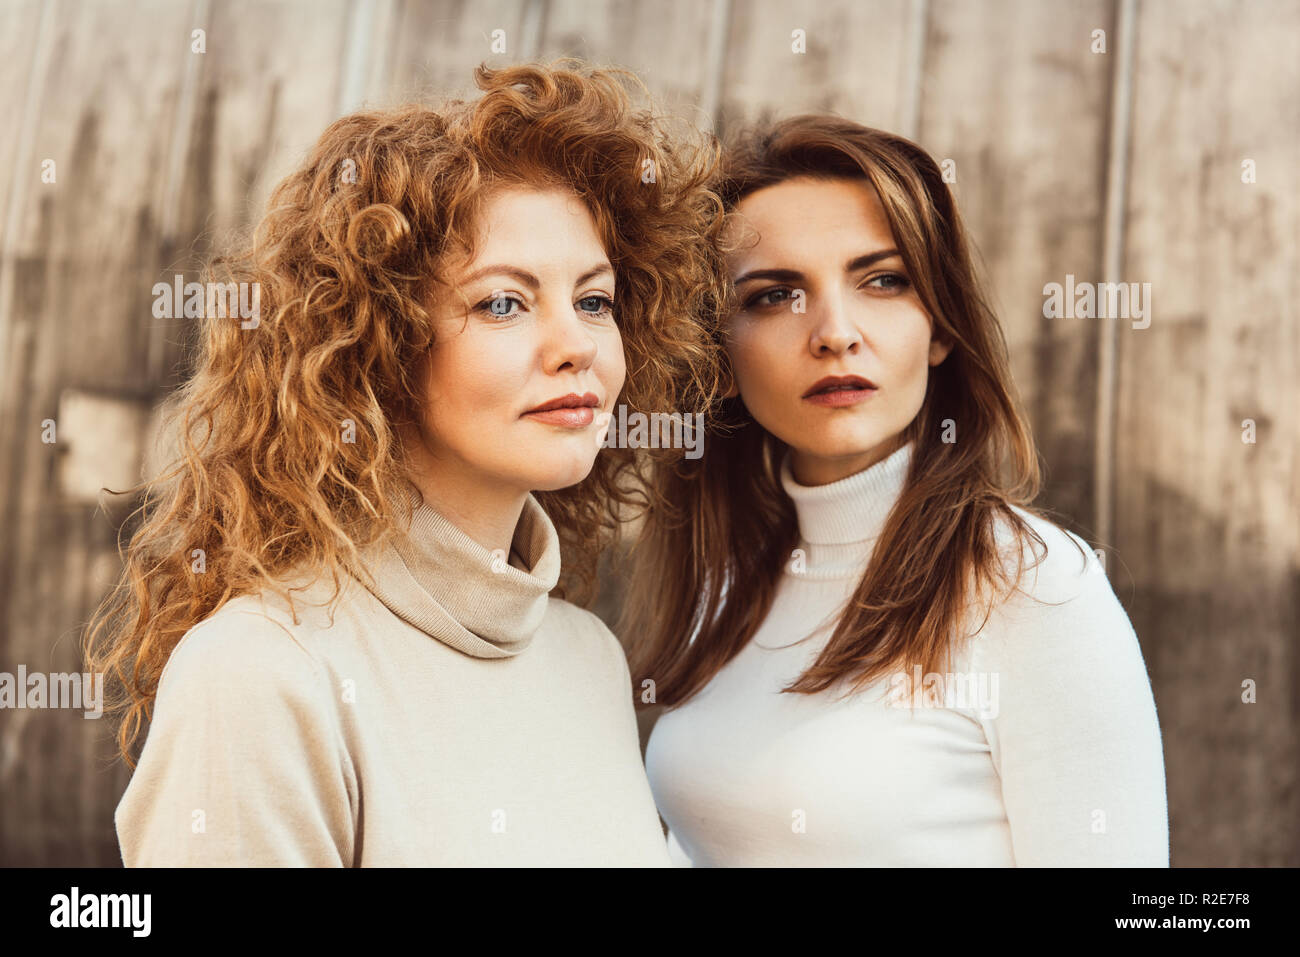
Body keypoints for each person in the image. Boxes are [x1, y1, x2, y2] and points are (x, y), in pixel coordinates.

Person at [85, 60, 727, 866]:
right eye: (504, 302)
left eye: (594, 300)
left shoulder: (588, 658)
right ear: (379, 348)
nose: (578, 346)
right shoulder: (259, 676)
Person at [620, 115, 1170, 866]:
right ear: (720, 349)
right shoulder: (724, 575)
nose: (835, 332)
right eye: (776, 295)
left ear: (940, 327)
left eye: (882, 280)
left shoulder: (1033, 589)